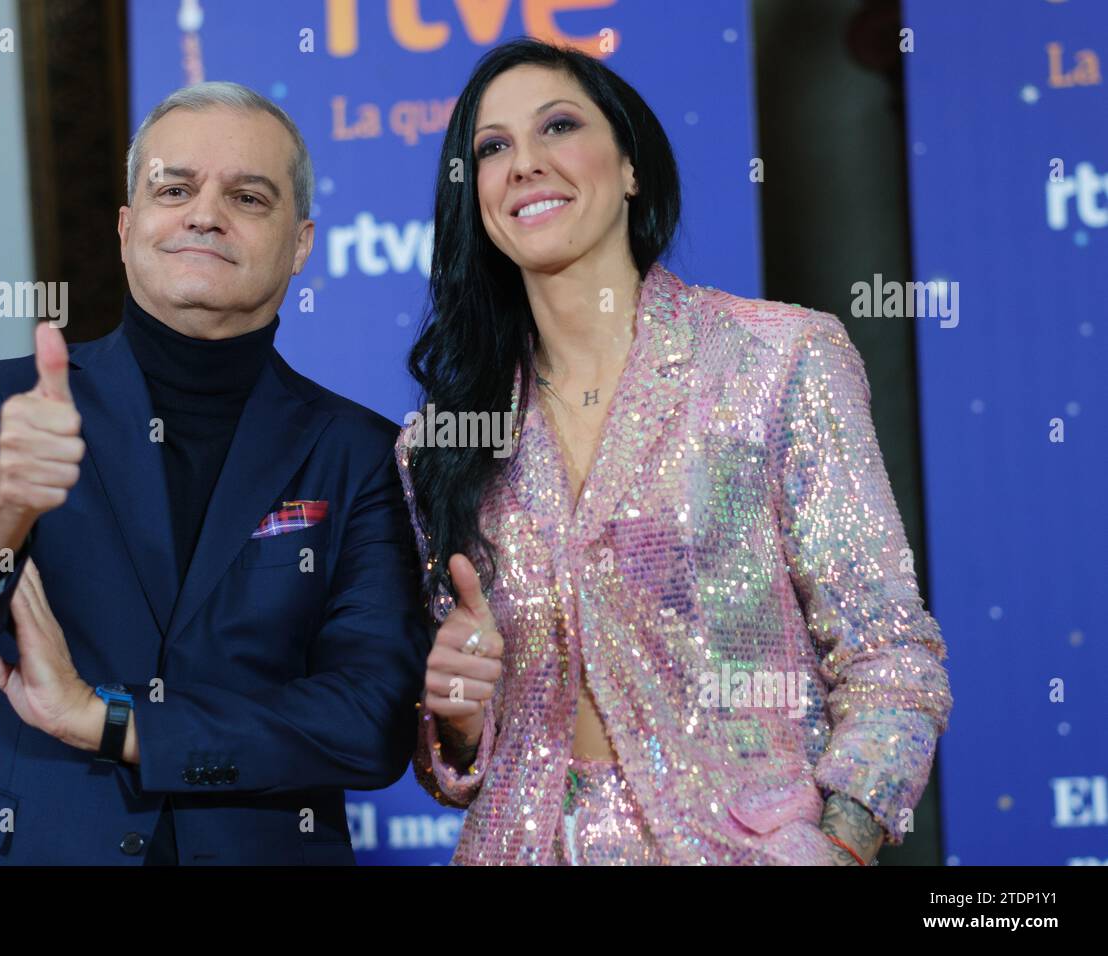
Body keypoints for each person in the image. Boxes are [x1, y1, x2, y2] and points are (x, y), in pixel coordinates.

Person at [397, 39, 953, 865]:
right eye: (492, 148)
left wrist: (842, 847)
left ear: (630, 167)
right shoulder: (444, 443)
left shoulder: (778, 360)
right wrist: (456, 720)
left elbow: (891, 659)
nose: (524, 164)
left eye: (558, 126)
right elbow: (453, 768)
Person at [0, 81, 430, 865]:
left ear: (302, 242)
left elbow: (369, 721)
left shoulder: (359, 452)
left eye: (247, 196)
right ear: (126, 224)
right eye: (174, 189)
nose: (204, 214)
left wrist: (115, 723)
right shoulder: (4, 400)